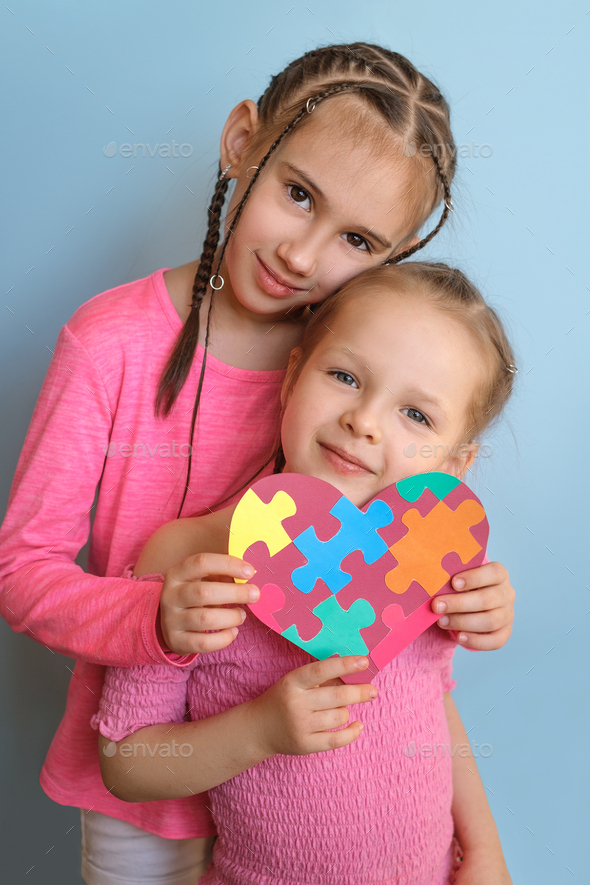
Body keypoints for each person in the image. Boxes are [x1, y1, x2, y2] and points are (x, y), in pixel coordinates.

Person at [0, 43, 514, 885]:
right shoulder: (108, 344)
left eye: (356, 238)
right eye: (298, 194)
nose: (303, 256)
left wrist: (475, 601)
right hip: (154, 791)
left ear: (390, 256)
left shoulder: (352, 378)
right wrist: (156, 616)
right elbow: (22, 569)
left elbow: (413, 631)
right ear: (244, 141)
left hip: (318, 790)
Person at [95, 261, 515, 884]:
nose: (364, 421)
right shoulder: (191, 559)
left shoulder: (431, 562)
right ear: (292, 378)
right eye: (345, 377)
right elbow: (124, 763)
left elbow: (435, 702)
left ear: (455, 464)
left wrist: (483, 848)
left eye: (416, 415)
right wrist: (258, 731)